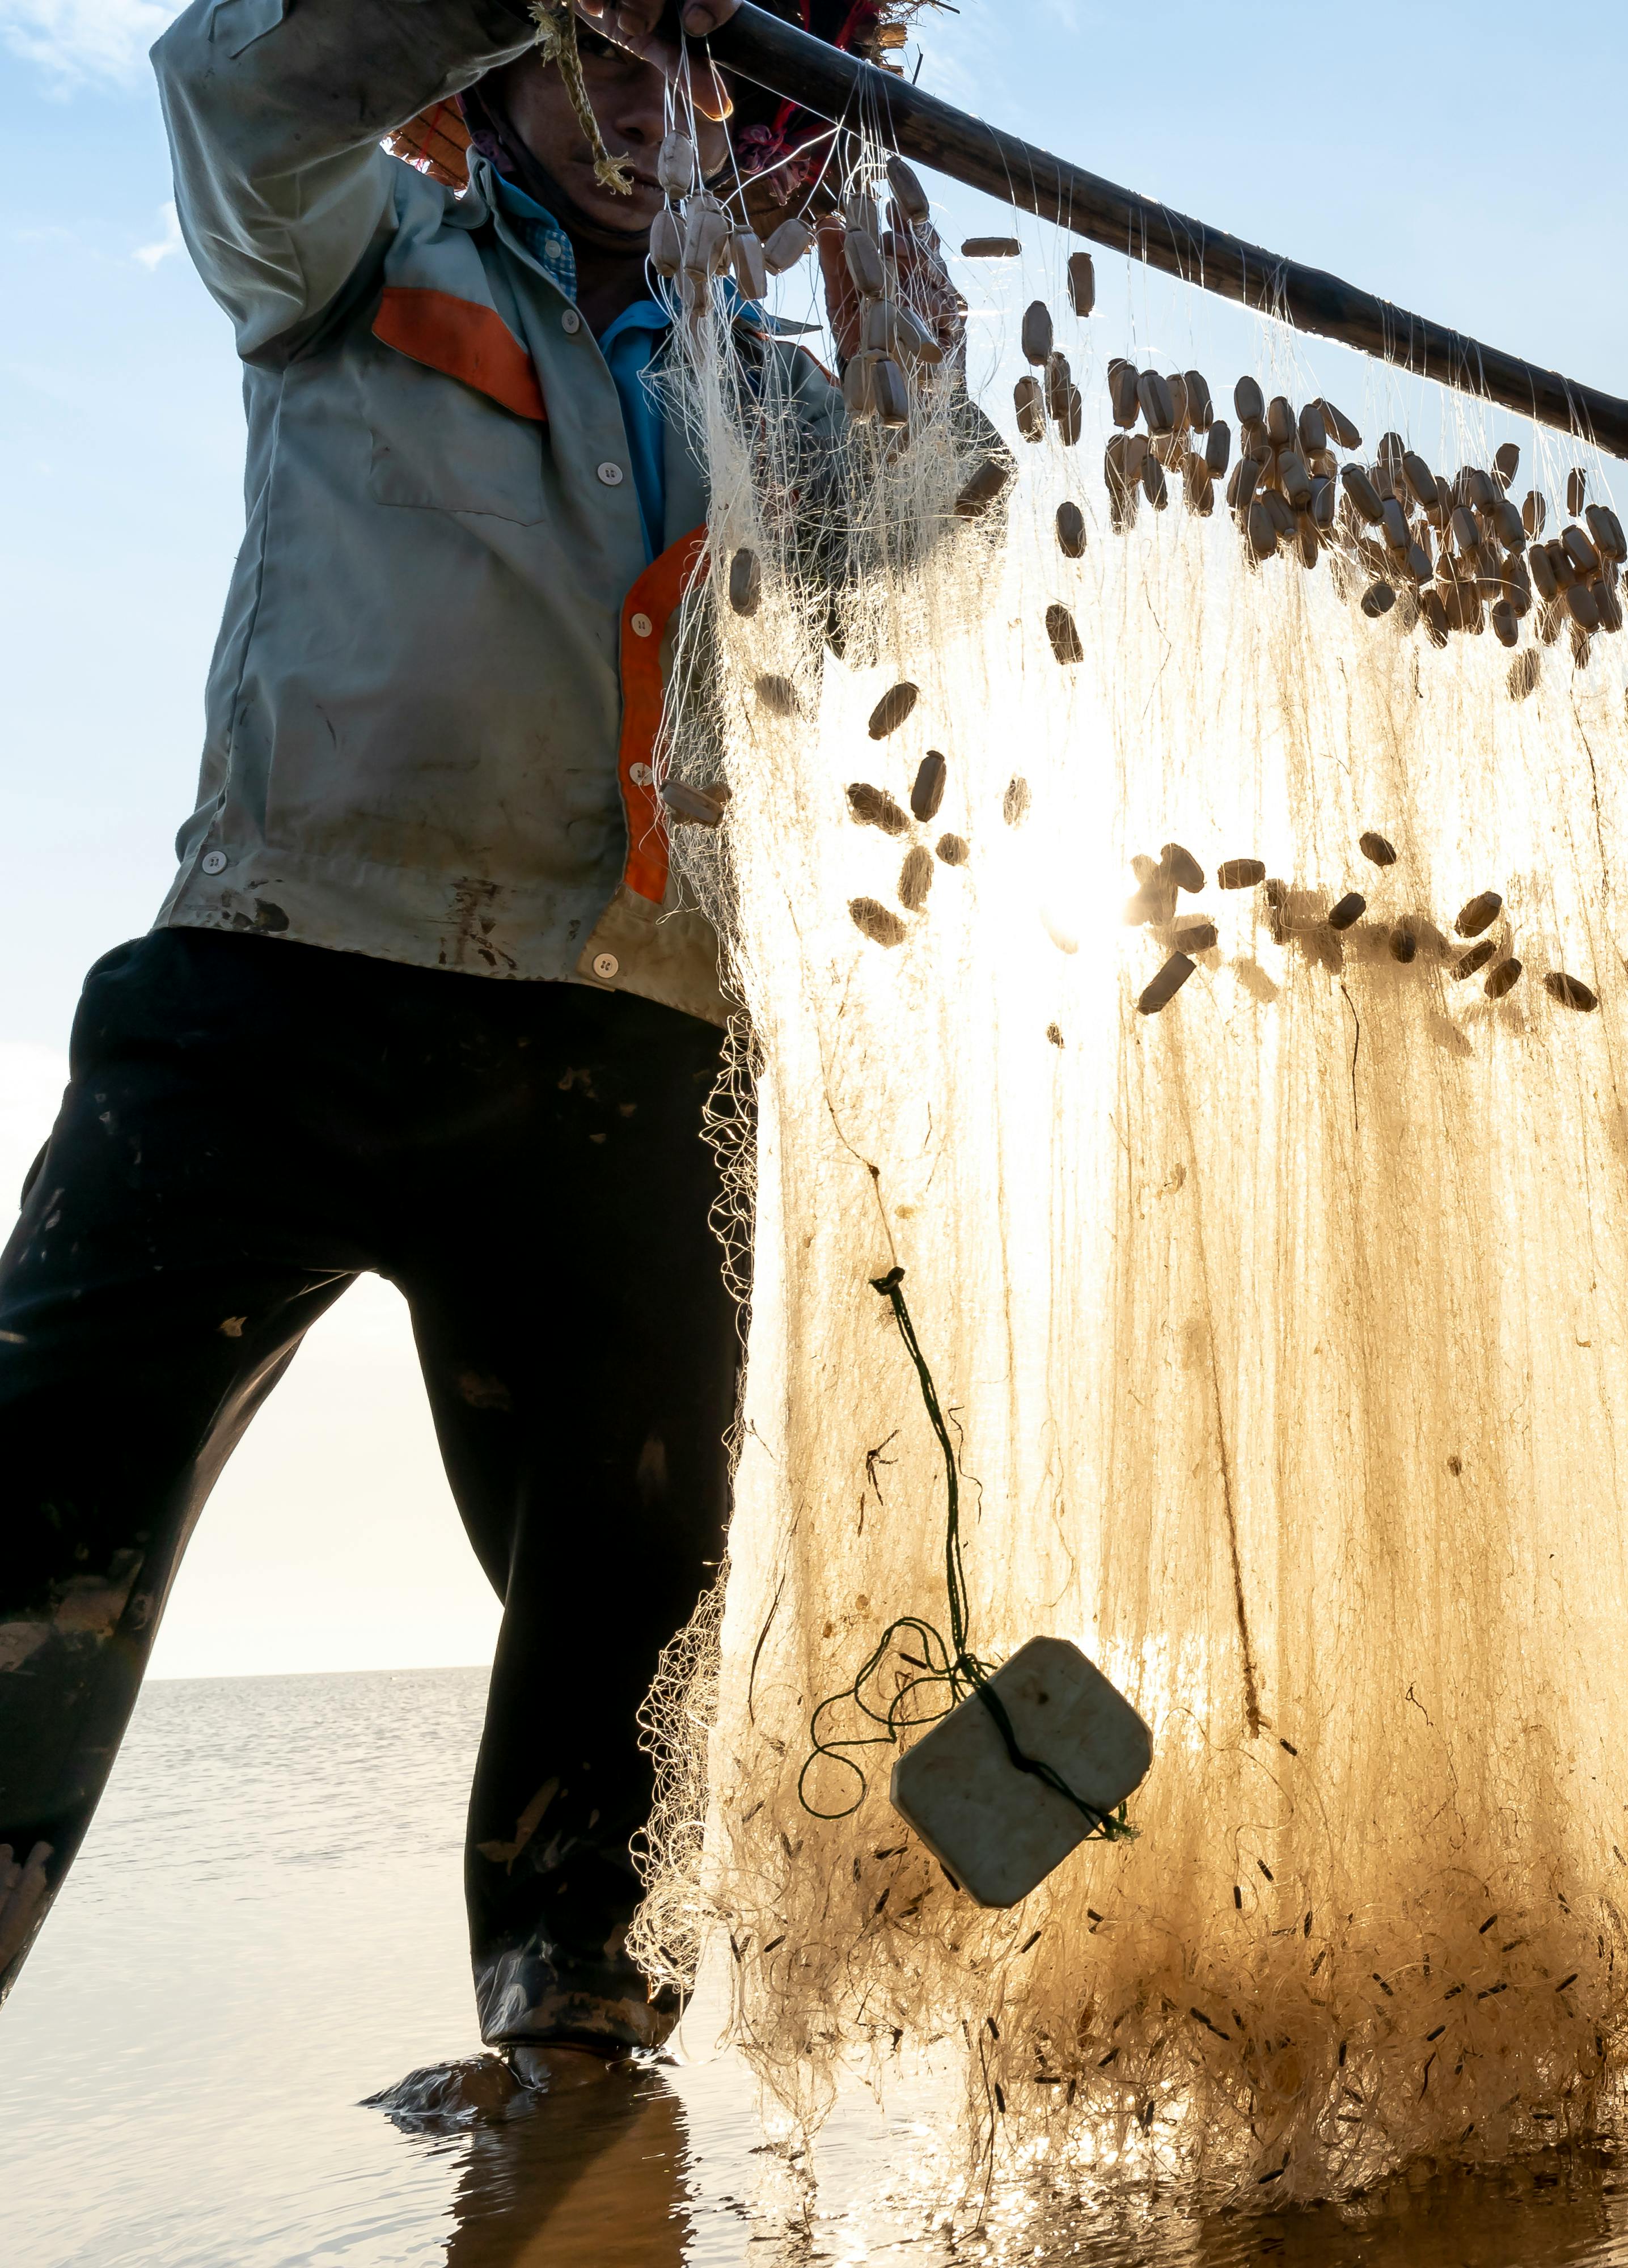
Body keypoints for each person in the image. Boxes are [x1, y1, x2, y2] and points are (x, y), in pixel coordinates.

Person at [0, 0, 946, 2106]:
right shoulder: (361, 254)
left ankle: (576, 2072)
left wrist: (906, 323)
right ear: (495, 79)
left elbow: (910, 529)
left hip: (623, 1061)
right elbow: (226, 88)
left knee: (637, 1587)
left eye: (706, 78)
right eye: (603, 49)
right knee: (38, 1514)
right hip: (278, 989)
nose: (650, 109)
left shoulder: (757, 397)